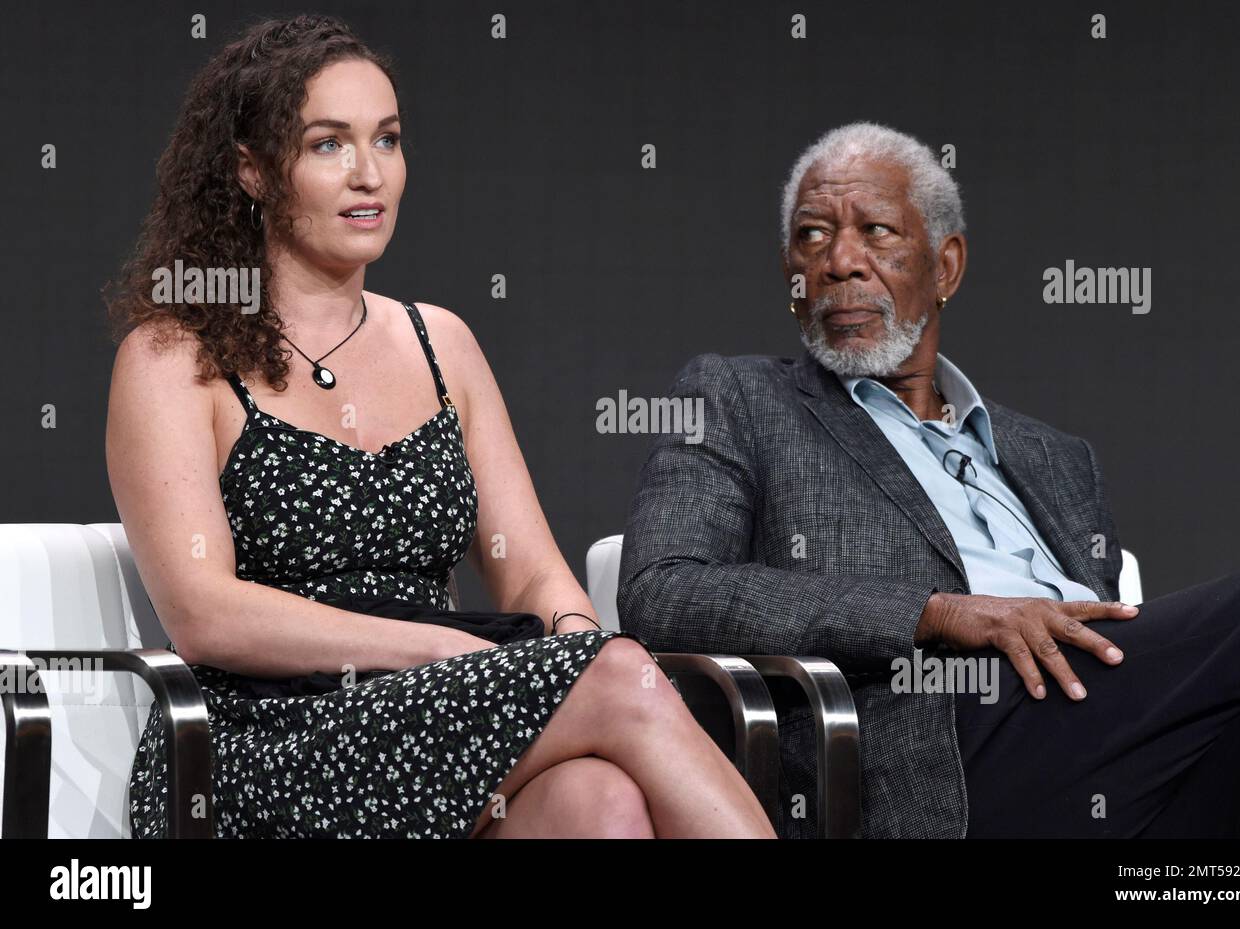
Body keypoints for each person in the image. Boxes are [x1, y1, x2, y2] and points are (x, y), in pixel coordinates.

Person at [103, 14, 774, 840]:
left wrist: (571, 647)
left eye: (386, 139)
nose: (367, 174)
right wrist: (436, 650)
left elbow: (531, 577)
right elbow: (206, 614)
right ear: (250, 169)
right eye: (326, 144)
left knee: (602, 802)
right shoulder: (175, 355)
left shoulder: (440, 343)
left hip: (442, 714)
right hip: (258, 740)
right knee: (620, 678)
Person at [617, 120, 1240, 839]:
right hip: (936, 754)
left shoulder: (1056, 457)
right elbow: (663, 589)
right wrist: (937, 612)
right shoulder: (740, 398)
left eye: (875, 230)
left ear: (946, 267)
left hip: (1105, 753)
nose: (840, 260)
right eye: (812, 236)